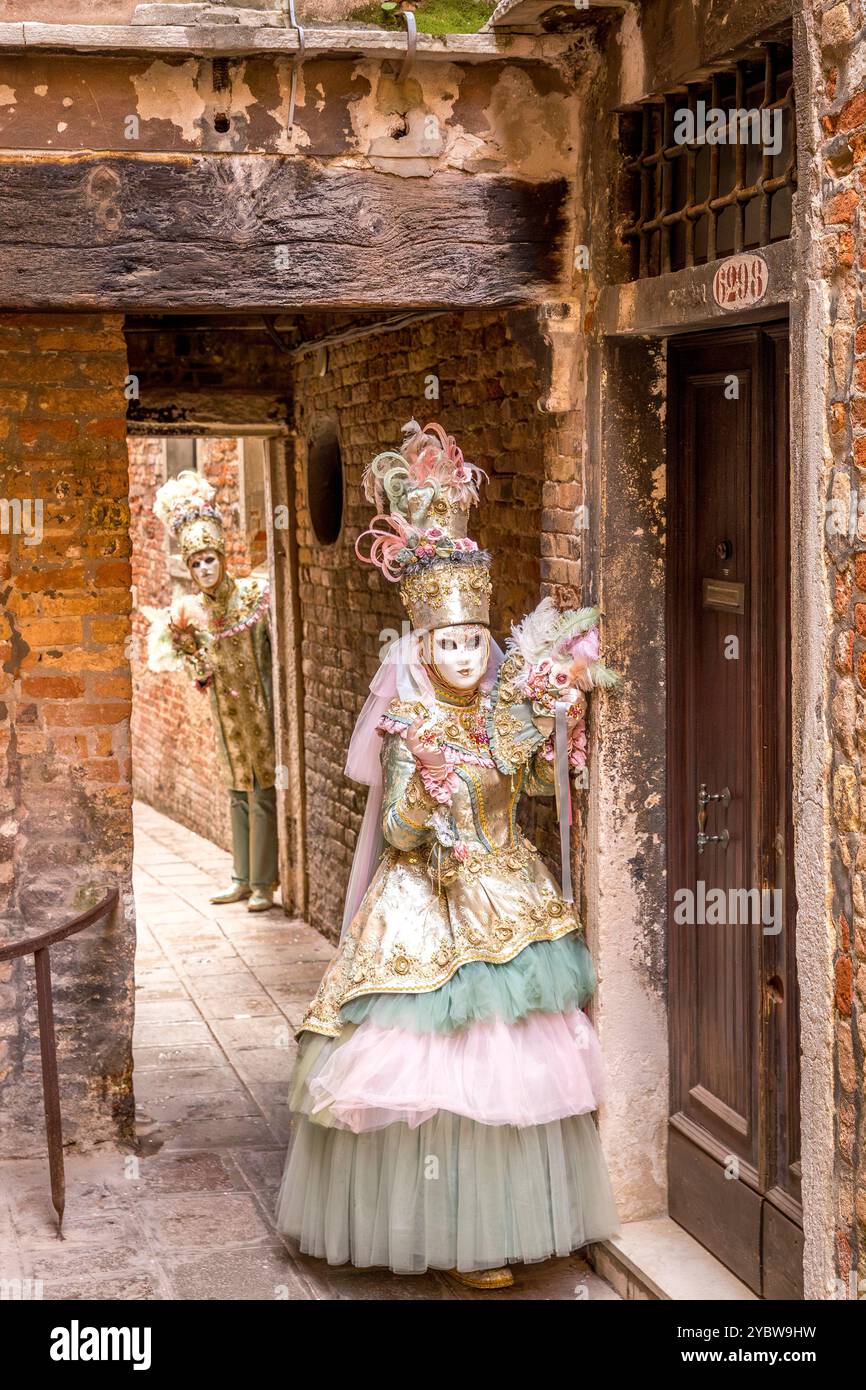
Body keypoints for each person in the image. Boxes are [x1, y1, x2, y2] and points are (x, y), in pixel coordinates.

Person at [274, 420, 620, 1288]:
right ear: (421, 648)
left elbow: (533, 795)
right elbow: (394, 829)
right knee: (431, 1063)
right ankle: (443, 1232)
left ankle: (498, 1229)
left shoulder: (505, 706)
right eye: (448, 644)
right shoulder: (410, 724)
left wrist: (551, 737)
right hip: (423, 904)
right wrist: (426, 791)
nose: (465, 657)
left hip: (507, 894)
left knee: (510, 1062)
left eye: (475, 641)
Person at [147, 469, 278, 912]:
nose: (204, 568)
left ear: (223, 557)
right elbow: (201, 675)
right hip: (227, 717)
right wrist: (195, 662)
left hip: (262, 711)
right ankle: (240, 877)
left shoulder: (254, 597)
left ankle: (264, 883)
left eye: (210, 559)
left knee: (263, 789)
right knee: (237, 789)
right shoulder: (193, 613)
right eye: (196, 563)